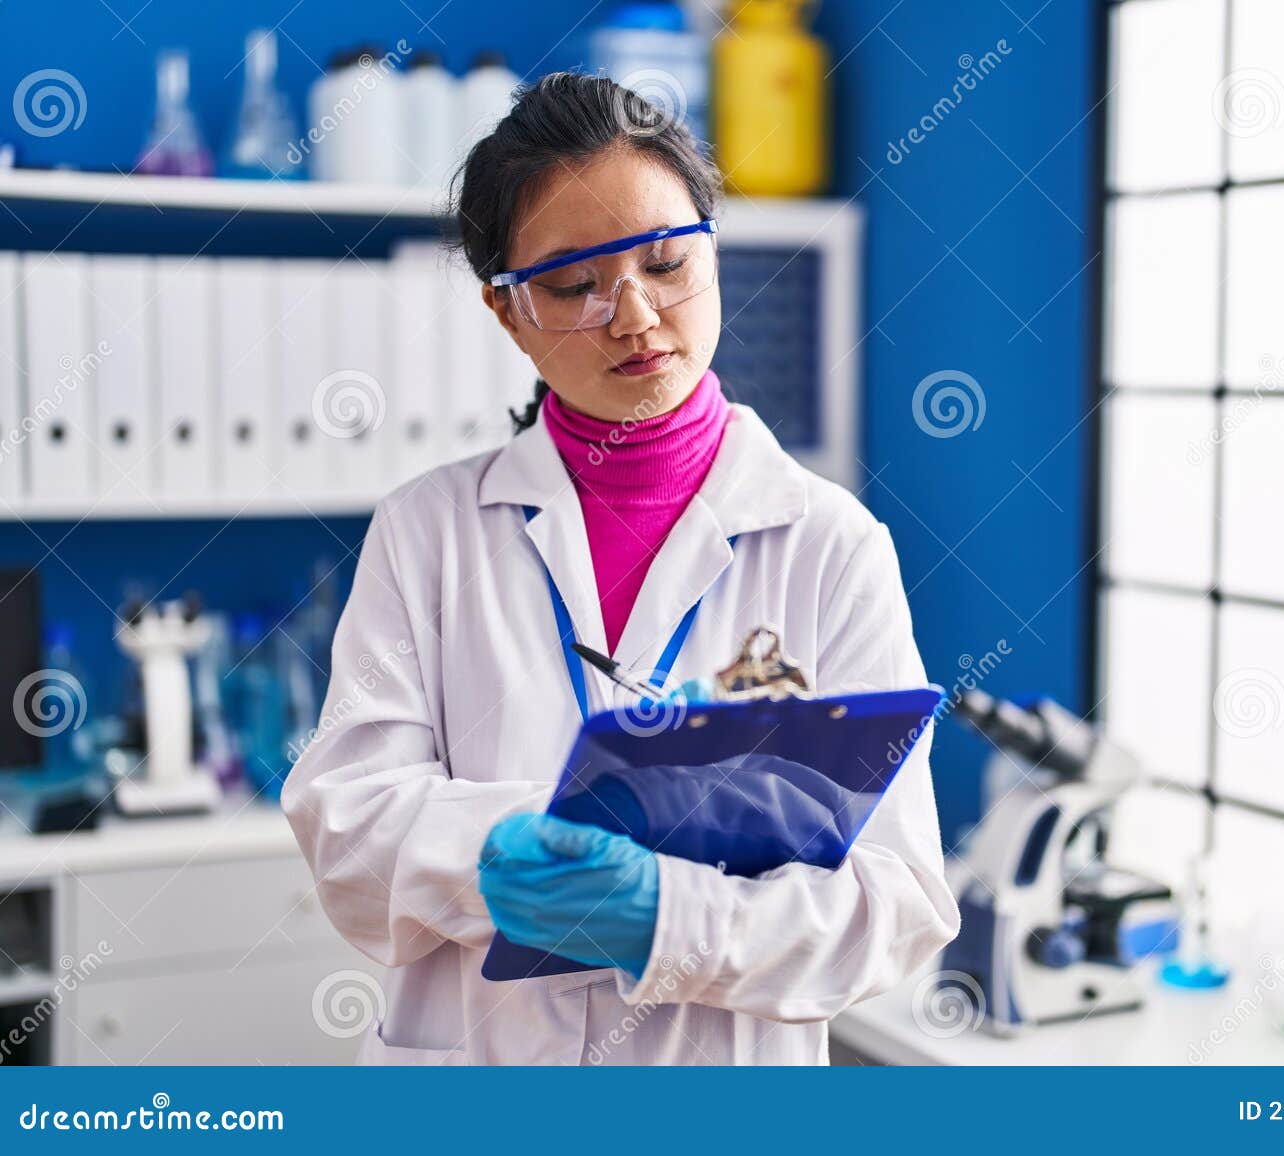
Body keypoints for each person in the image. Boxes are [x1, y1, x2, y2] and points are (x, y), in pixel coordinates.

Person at [282, 72, 958, 1065]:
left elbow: (895, 901)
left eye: (666, 262)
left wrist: (664, 917)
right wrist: (507, 853)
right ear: (509, 312)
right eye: (575, 286)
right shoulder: (428, 532)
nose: (635, 315)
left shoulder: (830, 544)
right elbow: (347, 830)